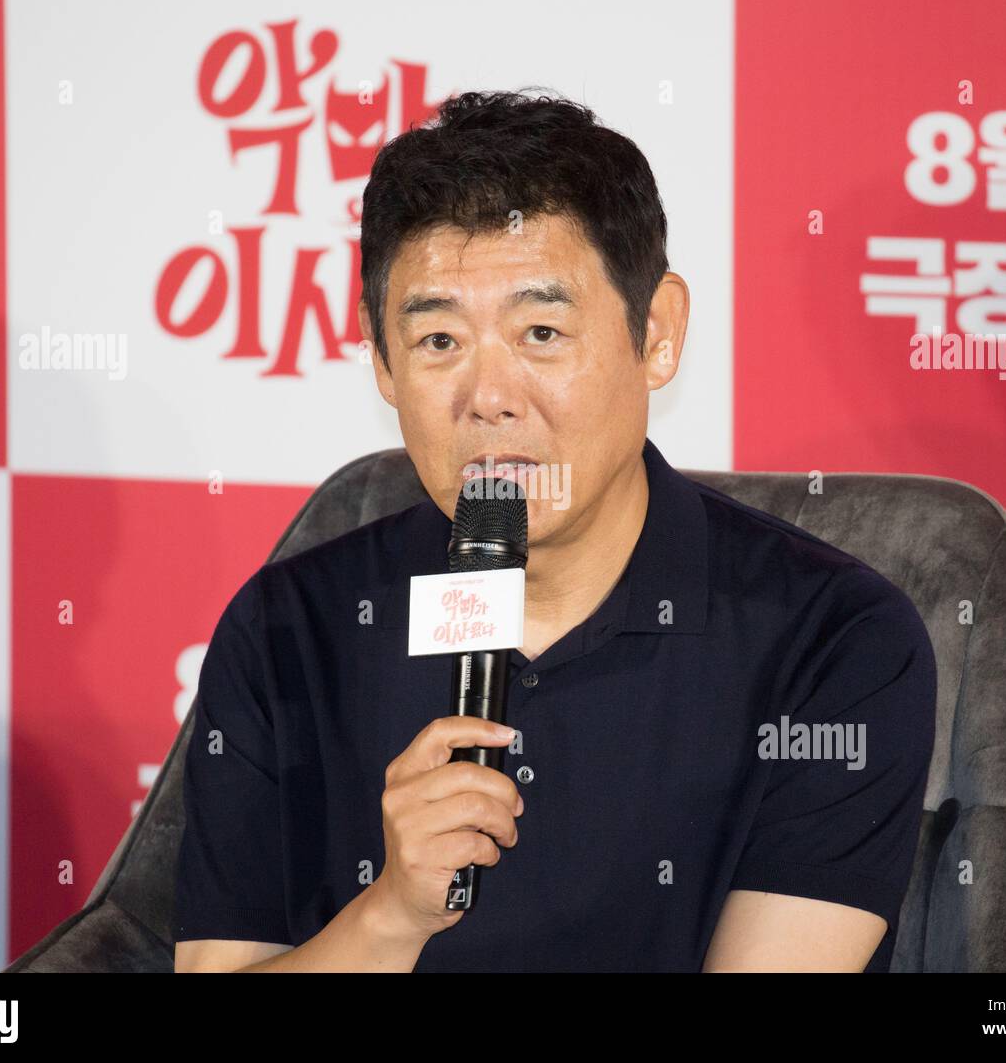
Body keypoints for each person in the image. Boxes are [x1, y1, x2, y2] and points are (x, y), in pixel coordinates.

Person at [173, 88, 937, 973]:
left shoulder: (834, 639)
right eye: (438, 342)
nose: (489, 398)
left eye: (541, 331)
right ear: (381, 359)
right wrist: (391, 914)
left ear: (657, 332)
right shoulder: (288, 630)